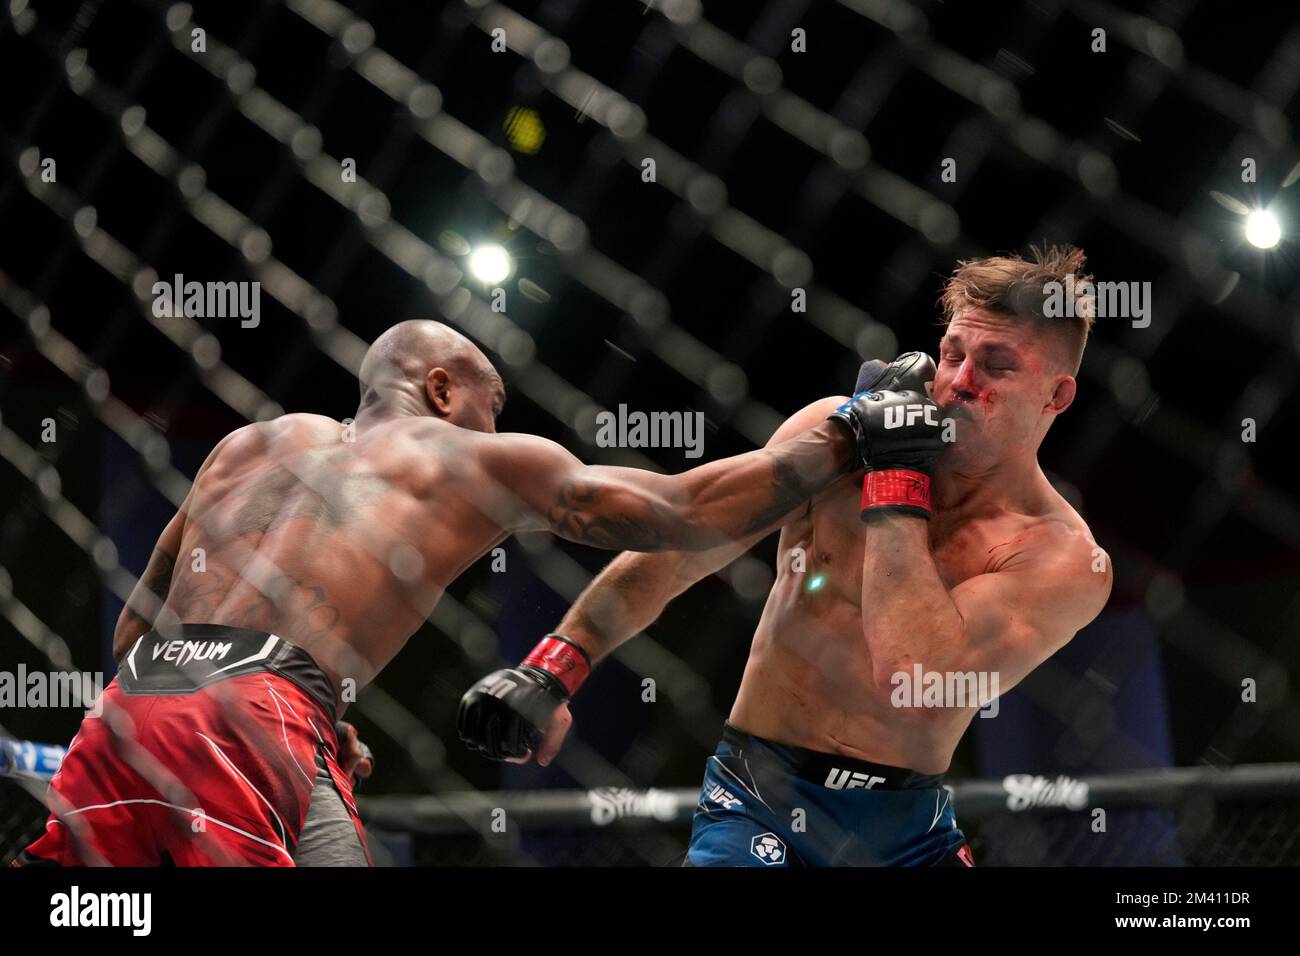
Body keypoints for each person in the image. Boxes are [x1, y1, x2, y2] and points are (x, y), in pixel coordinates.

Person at [20, 319, 857, 866]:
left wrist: (295, 710)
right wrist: (848, 436)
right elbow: (680, 514)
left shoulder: (251, 445)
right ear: (443, 390)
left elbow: (140, 628)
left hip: (132, 708)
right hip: (260, 712)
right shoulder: (462, 457)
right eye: (491, 411)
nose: (495, 433)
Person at [458, 246, 1114, 866]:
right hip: (758, 800)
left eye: (997, 366)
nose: (959, 383)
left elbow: (915, 675)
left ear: (1056, 395)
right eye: (952, 354)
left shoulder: (1059, 559)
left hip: (905, 830)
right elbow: (686, 549)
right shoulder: (835, 438)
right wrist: (555, 669)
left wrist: (894, 481)